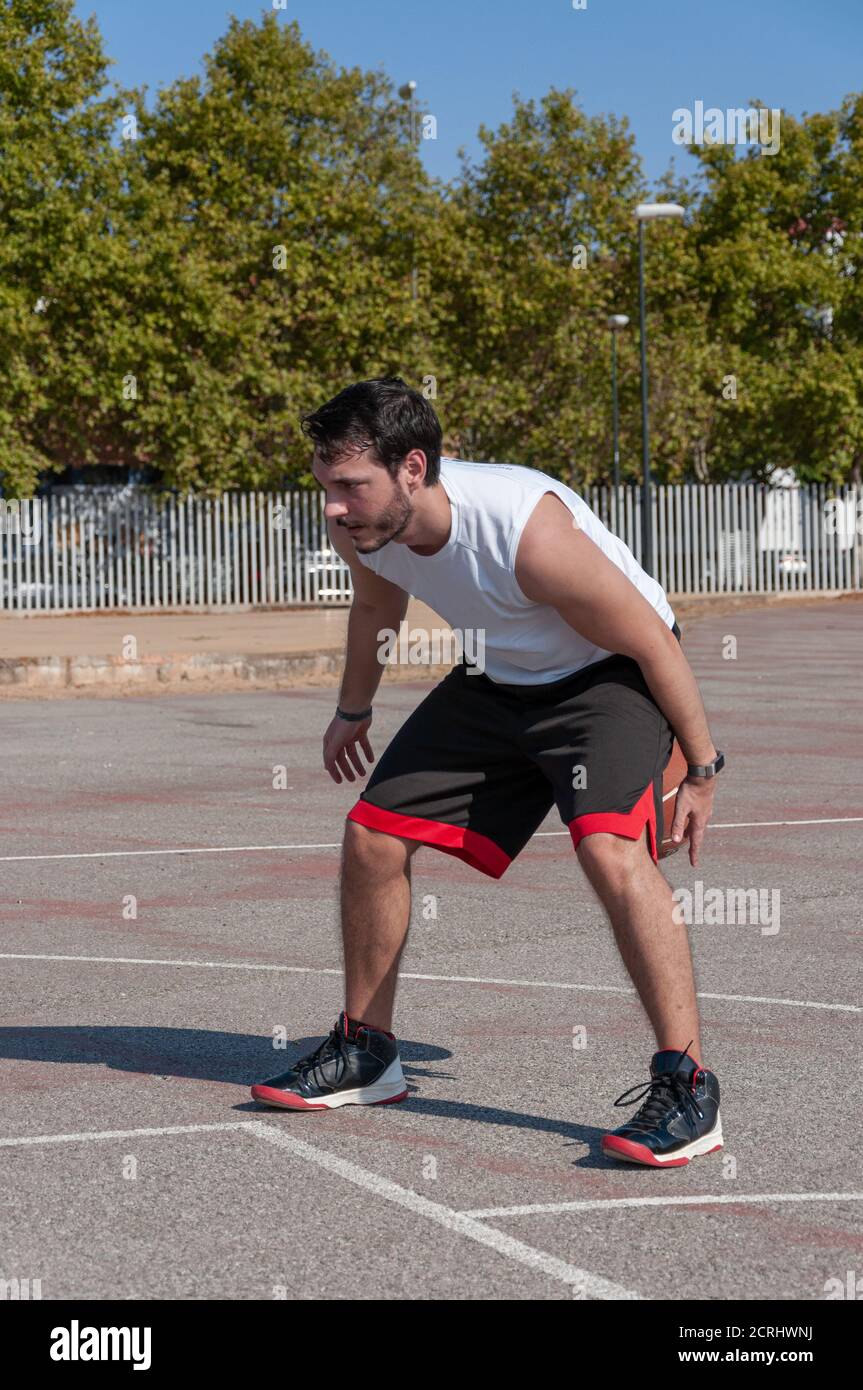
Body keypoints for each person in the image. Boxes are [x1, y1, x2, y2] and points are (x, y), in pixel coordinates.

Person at [251, 378, 726, 1167]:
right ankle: (367, 1050)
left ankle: (687, 1084)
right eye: (325, 485)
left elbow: (652, 643)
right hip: (499, 677)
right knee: (372, 836)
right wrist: (353, 710)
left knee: (609, 850)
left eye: (349, 486)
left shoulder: (526, 534)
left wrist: (701, 767)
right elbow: (376, 611)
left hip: (605, 677)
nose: (333, 505)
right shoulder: (367, 529)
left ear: (411, 468)